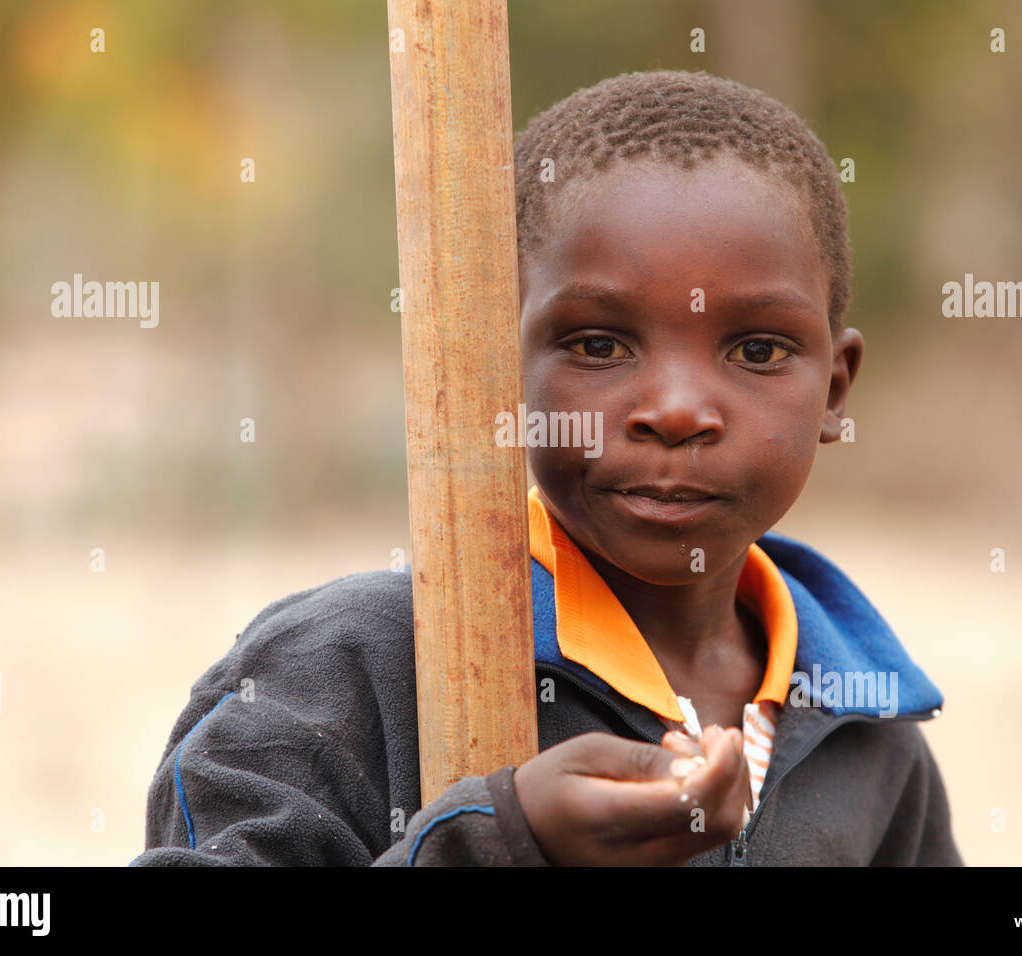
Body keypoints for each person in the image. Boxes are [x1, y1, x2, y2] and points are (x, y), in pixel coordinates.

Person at [130, 69, 962, 867]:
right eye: (598, 344)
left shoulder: (868, 731)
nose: (675, 411)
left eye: (756, 349)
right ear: (499, 367)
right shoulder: (343, 675)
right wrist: (500, 844)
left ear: (834, 392)